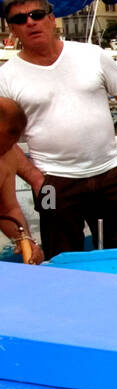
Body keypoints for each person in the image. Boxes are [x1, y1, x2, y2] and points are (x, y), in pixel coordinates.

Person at [0, 0, 117, 259]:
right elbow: (5, 142)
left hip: (111, 174)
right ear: (12, 29)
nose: (30, 22)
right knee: (60, 258)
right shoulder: (6, 77)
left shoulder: (92, 55)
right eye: (20, 19)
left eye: (36, 15)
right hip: (52, 183)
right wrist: (37, 179)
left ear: (51, 18)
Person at [0, 98, 44, 264]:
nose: (4, 152)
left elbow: (8, 209)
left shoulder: (7, 155)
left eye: (7, 146)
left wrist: (25, 241)